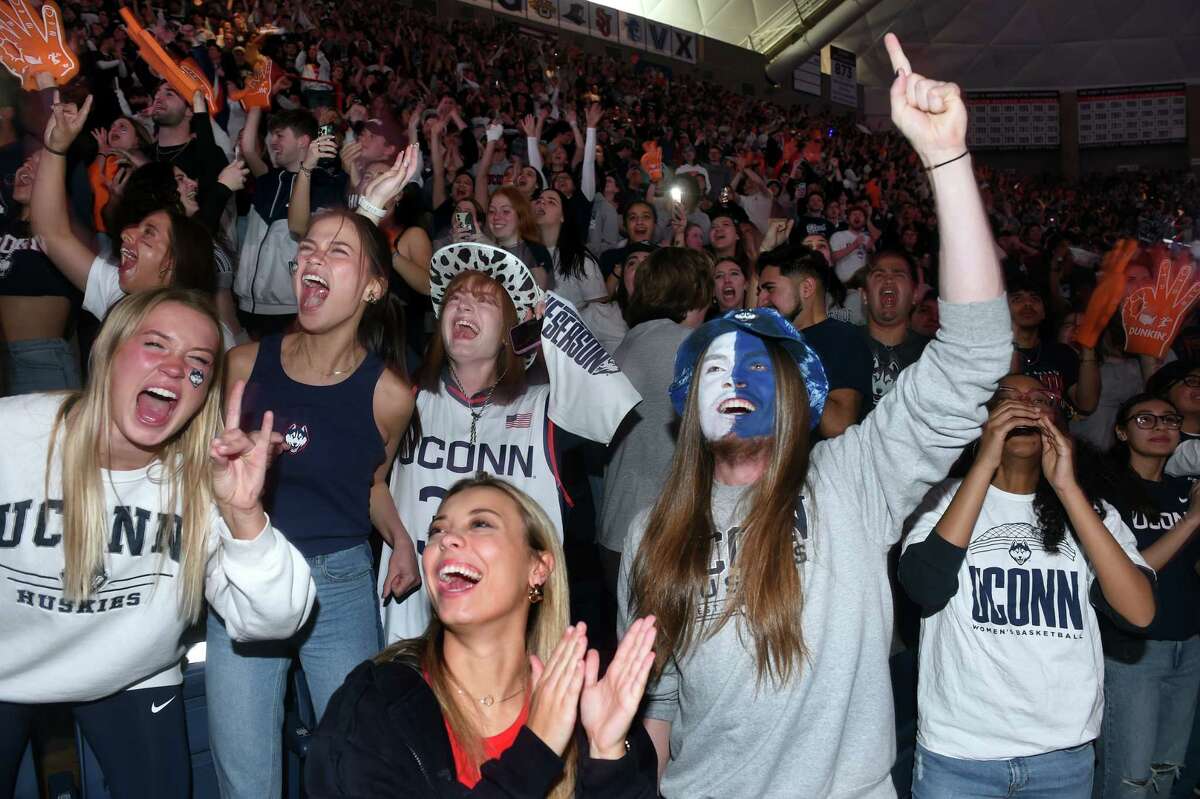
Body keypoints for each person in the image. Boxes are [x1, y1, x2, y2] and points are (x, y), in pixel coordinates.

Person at [619, 34, 1013, 797]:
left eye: (758, 363)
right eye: (715, 368)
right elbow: (656, 699)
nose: (734, 377)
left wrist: (945, 160)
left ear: (795, 395)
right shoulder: (652, 533)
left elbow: (974, 354)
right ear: (688, 404)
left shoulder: (852, 481)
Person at [0, 288, 316, 799]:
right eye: (155, 345)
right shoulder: (11, 432)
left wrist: (244, 513)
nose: (174, 370)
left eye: (197, 363)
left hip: (132, 674)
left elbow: (275, 620)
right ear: (107, 350)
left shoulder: (203, 477)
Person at [206, 148, 423, 799]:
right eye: (307, 252)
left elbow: (370, 479)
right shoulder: (244, 364)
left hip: (341, 584)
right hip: (249, 572)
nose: (308, 261)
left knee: (354, 771)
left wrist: (402, 537)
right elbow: (219, 482)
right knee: (247, 781)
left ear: (373, 287)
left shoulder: (391, 393)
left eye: (335, 254)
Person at [305, 474, 659, 797]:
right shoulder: (376, 706)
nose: (447, 541)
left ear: (538, 568)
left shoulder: (583, 702)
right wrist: (537, 751)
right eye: (437, 531)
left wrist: (606, 756)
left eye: (481, 524)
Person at [899, 375, 1154, 798]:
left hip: (1062, 755)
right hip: (960, 754)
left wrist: (1068, 488)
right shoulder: (941, 500)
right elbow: (925, 586)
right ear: (981, 420)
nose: (1024, 406)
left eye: (1039, 399)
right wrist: (983, 463)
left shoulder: (1092, 513)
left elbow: (1140, 612)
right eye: (1007, 400)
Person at [383, 242, 640, 643]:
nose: (464, 307)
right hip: (416, 617)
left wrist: (548, 313)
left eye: (484, 301)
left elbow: (614, 402)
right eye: (455, 298)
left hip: (513, 636)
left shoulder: (546, 410)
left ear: (509, 329)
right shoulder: (404, 397)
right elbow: (366, 481)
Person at [30, 94, 218, 329]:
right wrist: (55, 149)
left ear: (174, 260)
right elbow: (50, 234)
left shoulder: (203, 334)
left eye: (149, 232)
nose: (126, 234)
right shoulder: (115, 292)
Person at [1095, 394, 1200, 799]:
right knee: (1129, 776)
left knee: (1166, 770)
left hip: (1188, 643)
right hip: (1134, 651)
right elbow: (1128, 572)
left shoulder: (1185, 489)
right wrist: (1191, 521)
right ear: (1121, 432)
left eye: (1170, 419)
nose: (1160, 426)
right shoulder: (1105, 490)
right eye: (1145, 419)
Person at [599, 248, 712, 596]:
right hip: (667, 534)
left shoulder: (626, 345)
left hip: (616, 531)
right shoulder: (693, 349)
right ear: (694, 292)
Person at [235, 106, 347, 336]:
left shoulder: (324, 185)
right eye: (272, 135)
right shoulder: (268, 179)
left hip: (289, 309)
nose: (273, 142)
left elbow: (300, 230)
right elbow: (248, 148)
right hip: (247, 306)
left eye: (280, 135)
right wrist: (256, 104)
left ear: (303, 141)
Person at [757, 243, 872, 438]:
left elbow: (838, 426)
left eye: (770, 289)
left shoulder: (843, 339)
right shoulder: (770, 339)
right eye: (759, 292)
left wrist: (790, 357)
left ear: (807, 288)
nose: (761, 300)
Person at [0, 150, 82, 395]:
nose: (25, 168)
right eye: (24, 163)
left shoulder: (68, 234)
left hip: (40, 360)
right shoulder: (4, 225)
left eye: (40, 165)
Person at [1010, 276, 1100, 415]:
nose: (1028, 303)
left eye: (1035, 298)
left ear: (1043, 313)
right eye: (1017, 299)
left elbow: (1087, 404)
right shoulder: (989, 354)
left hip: (1055, 433)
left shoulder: (1061, 353)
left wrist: (1088, 349)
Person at [860, 251, 928, 412]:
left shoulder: (931, 357)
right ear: (864, 295)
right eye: (879, 275)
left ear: (915, 295)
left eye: (898, 275)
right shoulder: (841, 345)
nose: (888, 279)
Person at [535, 188, 606, 307]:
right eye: (539, 201)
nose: (542, 203)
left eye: (551, 202)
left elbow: (599, 311)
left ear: (563, 216)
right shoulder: (524, 253)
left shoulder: (581, 261)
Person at [487, 185, 551, 287]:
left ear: (520, 216)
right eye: (491, 211)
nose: (496, 217)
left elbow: (537, 296)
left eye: (505, 211)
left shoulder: (536, 252)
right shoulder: (483, 251)